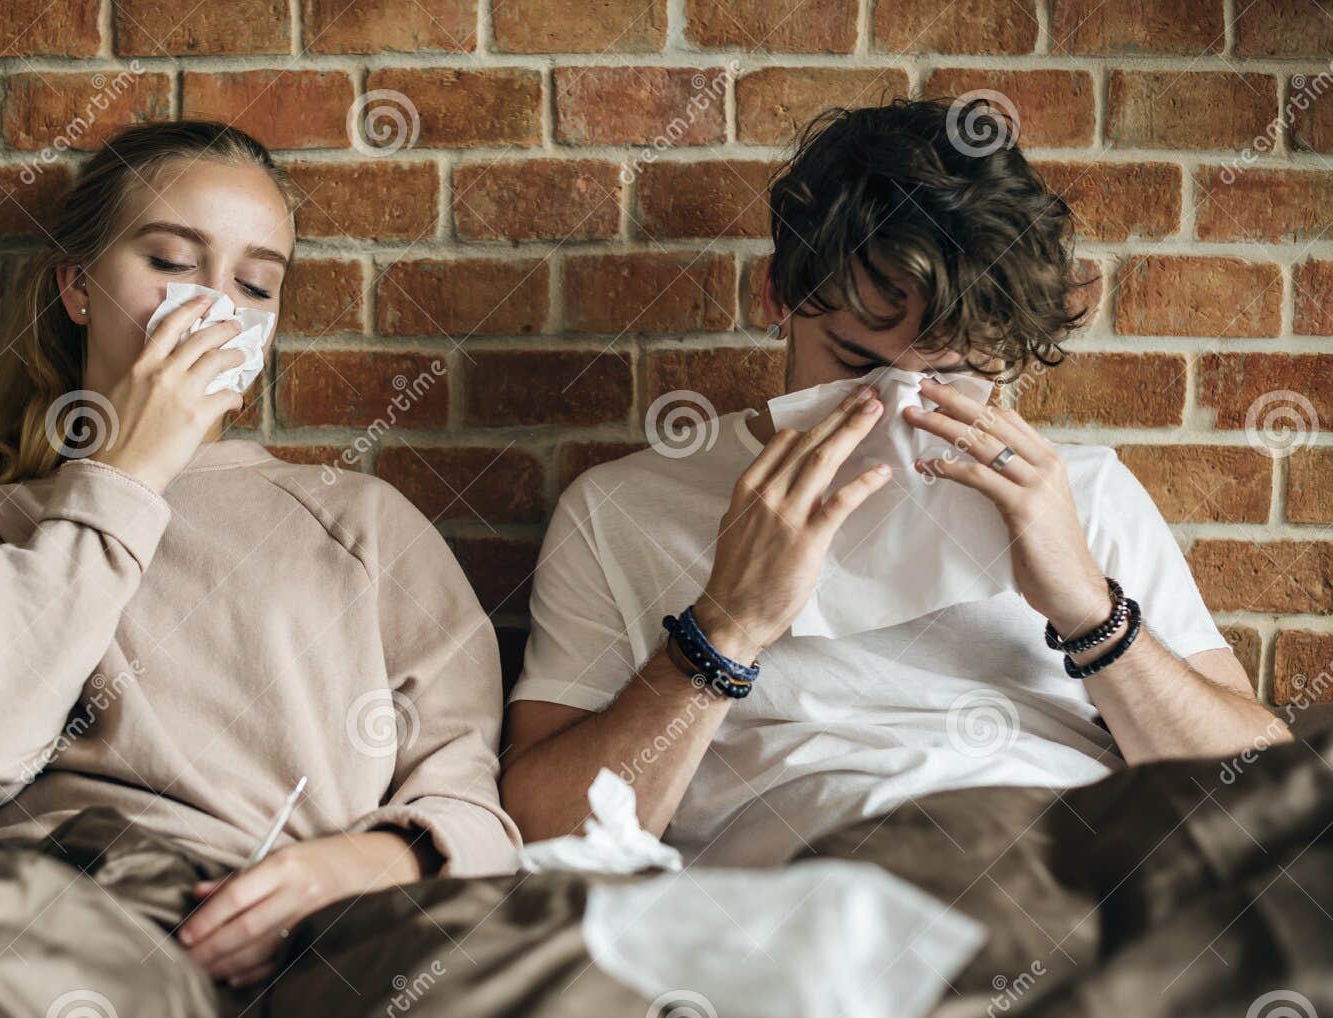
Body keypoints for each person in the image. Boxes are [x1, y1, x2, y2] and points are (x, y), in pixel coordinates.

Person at [0, 119, 518, 1018]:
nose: (213, 306)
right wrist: (128, 470)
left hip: (336, 923)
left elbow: (475, 801)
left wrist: (357, 864)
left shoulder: (363, 521)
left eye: (255, 284)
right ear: (77, 287)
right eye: (172, 263)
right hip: (76, 896)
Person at [501, 98, 1291, 865]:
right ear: (778, 296)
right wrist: (725, 629)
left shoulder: (1084, 491)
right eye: (856, 363)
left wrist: (1089, 610)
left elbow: (1264, 797)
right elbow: (542, 835)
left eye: (954, 376)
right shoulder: (623, 507)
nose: (900, 408)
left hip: (1069, 872)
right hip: (811, 893)